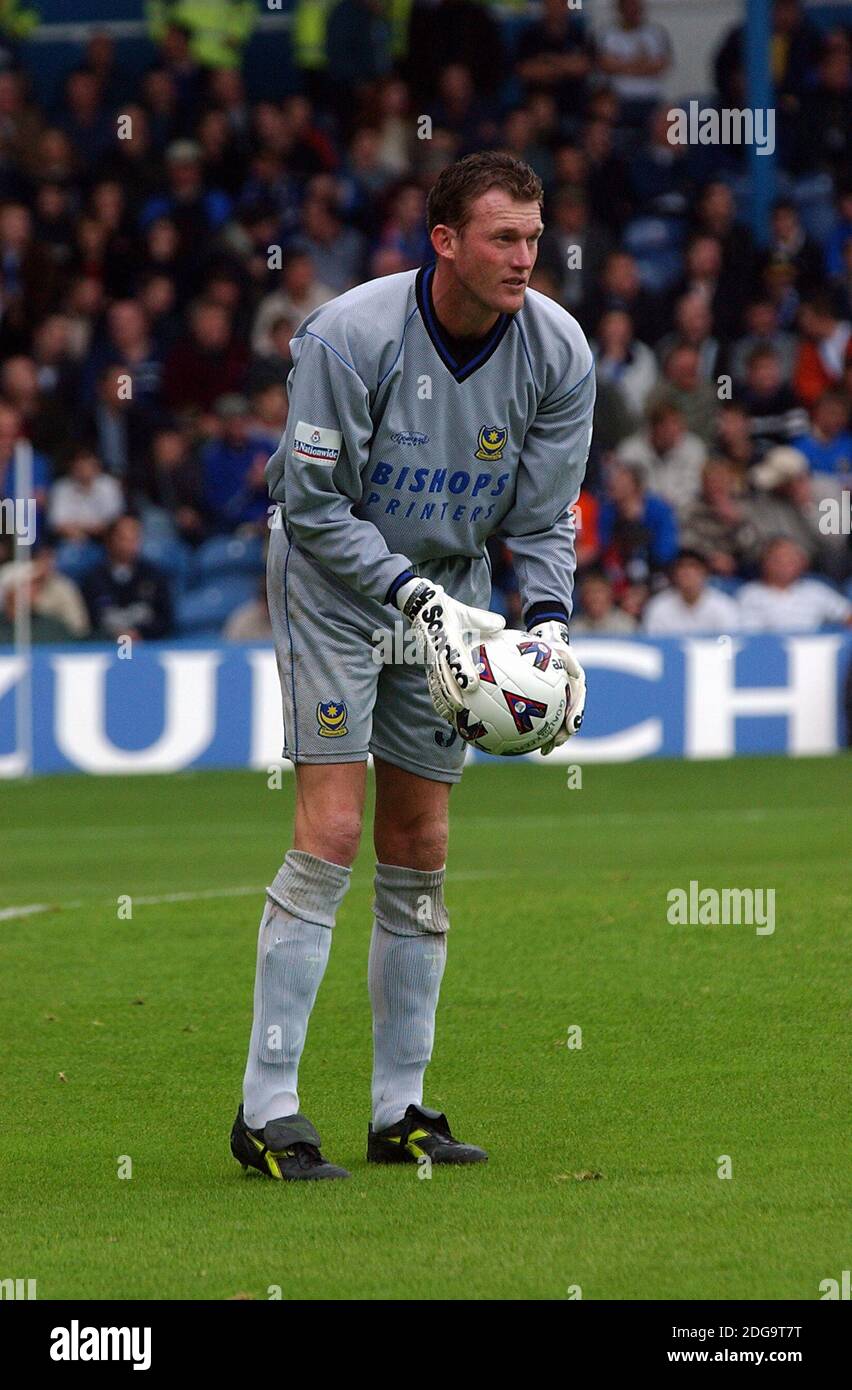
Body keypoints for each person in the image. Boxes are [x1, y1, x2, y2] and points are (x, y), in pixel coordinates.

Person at [232, 152, 594, 1181]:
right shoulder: (347, 336)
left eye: (533, 236)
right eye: (503, 238)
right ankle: (268, 1110)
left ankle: (402, 1110)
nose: (527, 256)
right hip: (338, 588)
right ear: (445, 242)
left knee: (422, 840)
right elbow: (309, 506)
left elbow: (545, 510)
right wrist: (413, 599)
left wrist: (549, 624)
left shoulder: (559, 351)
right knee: (335, 826)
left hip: (455, 589)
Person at [738, 537, 852, 632]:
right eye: (778, 559)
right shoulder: (750, 594)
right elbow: (749, 636)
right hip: (769, 653)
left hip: (815, 651)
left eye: (791, 559)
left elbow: (847, 615)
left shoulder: (816, 590)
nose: (785, 565)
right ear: (764, 562)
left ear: (802, 562)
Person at [642, 549, 739, 635]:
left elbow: (730, 644)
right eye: (681, 567)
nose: (687, 572)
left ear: (705, 573)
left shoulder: (724, 606)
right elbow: (654, 646)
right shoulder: (658, 606)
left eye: (693, 567)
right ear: (674, 574)